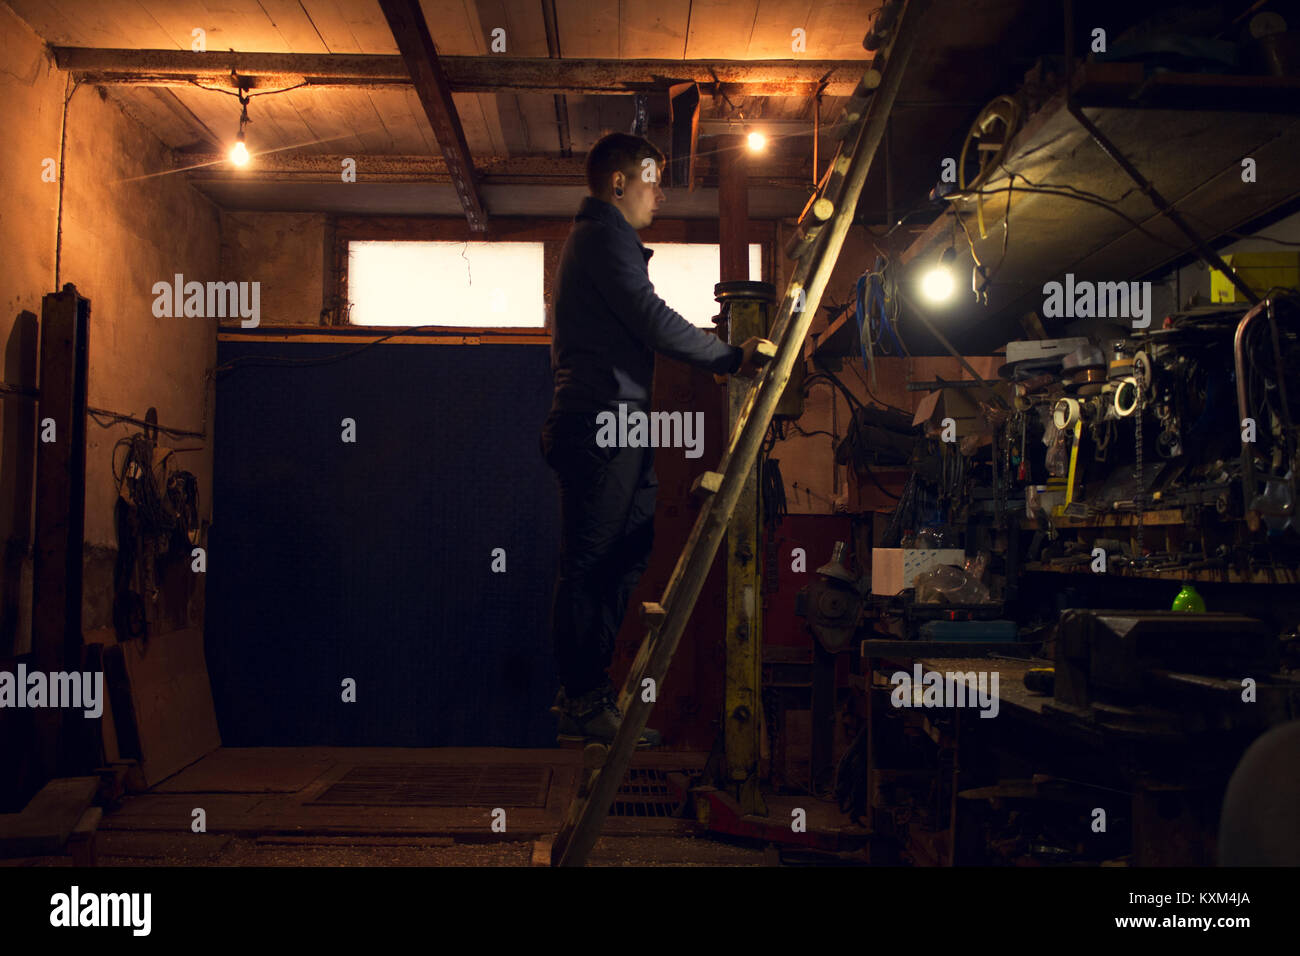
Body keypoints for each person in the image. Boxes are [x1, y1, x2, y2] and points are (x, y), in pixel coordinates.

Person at [539, 132, 769, 747]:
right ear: (620, 182)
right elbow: (650, 316)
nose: (660, 194)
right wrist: (727, 357)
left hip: (622, 427)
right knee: (591, 564)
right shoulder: (601, 238)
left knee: (628, 551)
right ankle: (583, 701)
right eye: (653, 179)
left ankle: (588, 693)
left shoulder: (608, 243)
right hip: (599, 426)